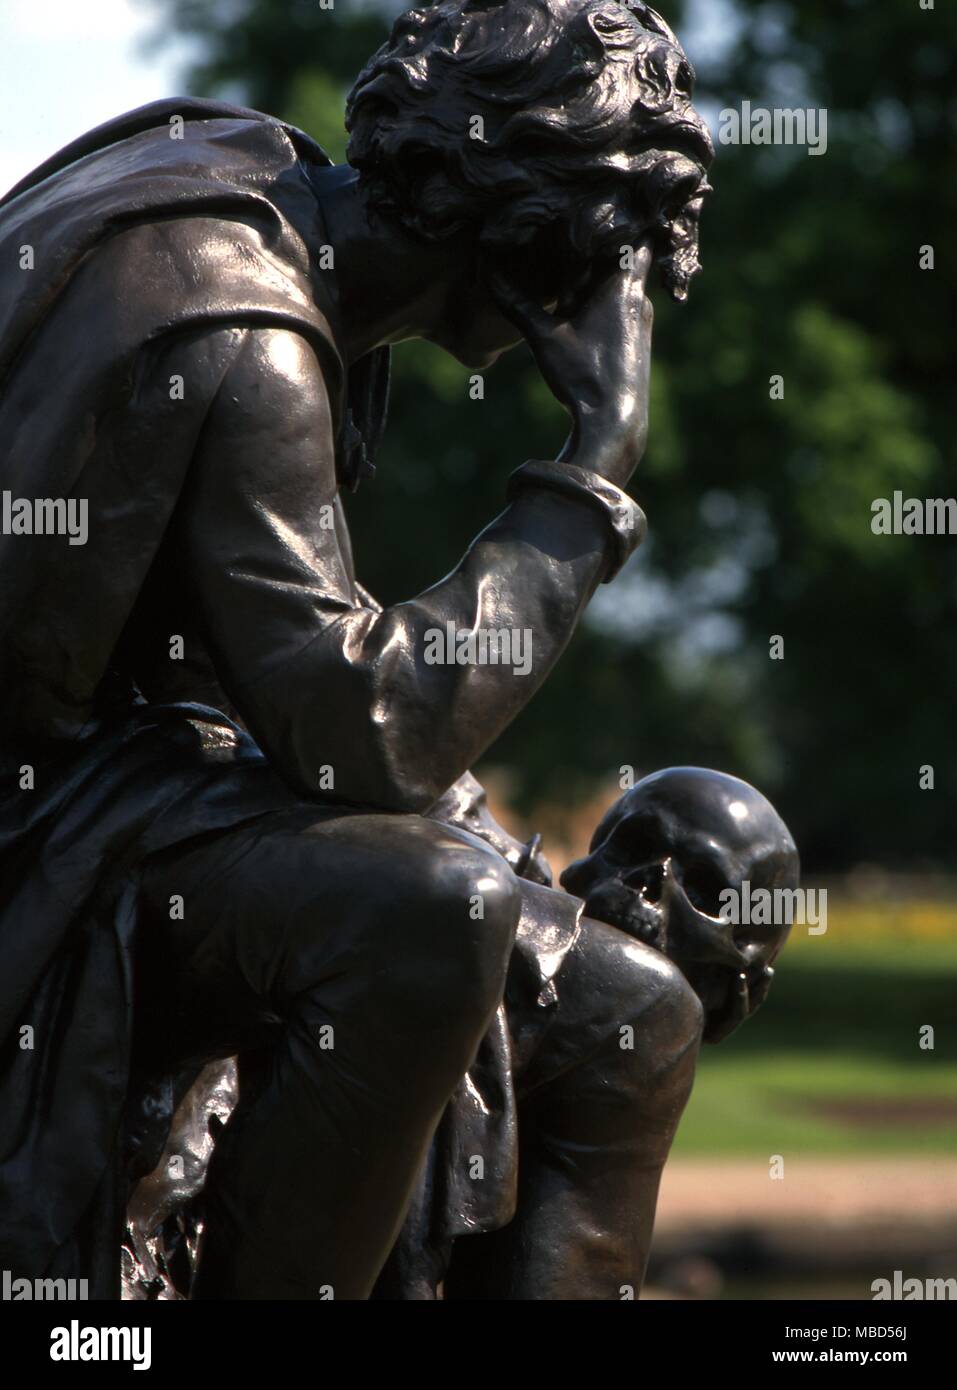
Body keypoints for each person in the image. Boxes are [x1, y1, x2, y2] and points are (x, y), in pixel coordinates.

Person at [0, 0, 712, 1297]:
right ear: (530, 243)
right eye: (610, 265)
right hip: (39, 839)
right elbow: (362, 734)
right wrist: (591, 465)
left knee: (629, 1014)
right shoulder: (246, 331)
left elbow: (263, 663)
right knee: (434, 907)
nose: (616, 311)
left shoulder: (257, 186)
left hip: (137, 789)